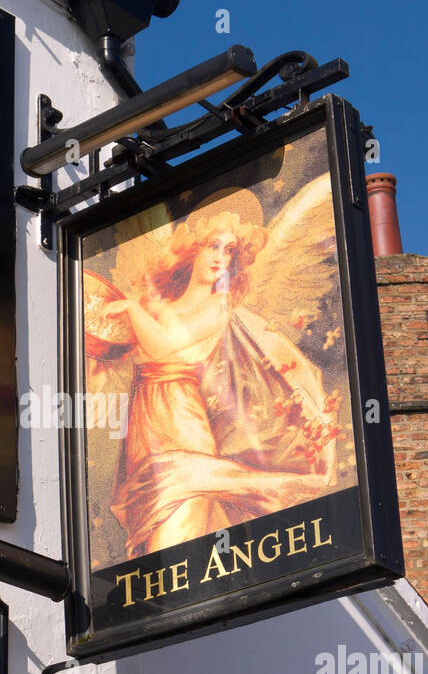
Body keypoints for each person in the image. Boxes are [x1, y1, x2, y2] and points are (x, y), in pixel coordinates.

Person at [99, 193, 340, 559]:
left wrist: (131, 309)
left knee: (179, 511)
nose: (220, 258)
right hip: (143, 422)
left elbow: (165, 346)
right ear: (193, 247)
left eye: (230, 250)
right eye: (214, 245)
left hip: (181, 420)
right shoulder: (162, 301)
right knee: (155, 533)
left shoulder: (220, 306)